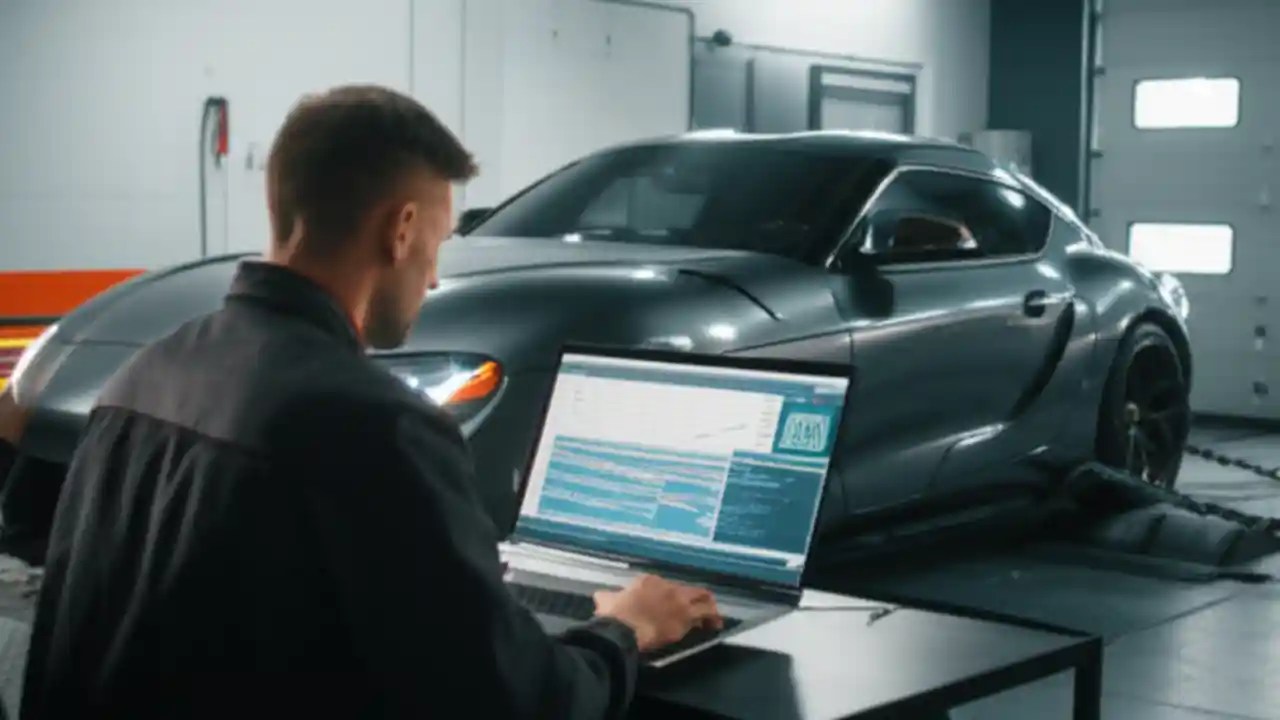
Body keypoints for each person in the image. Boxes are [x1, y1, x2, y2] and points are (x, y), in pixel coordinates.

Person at [20, 85, 723, 720]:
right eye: (438, 242)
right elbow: (516, 699)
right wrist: (624, 631)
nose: (433, 272)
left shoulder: (146, 374)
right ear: (402, 229)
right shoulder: (376, 426)